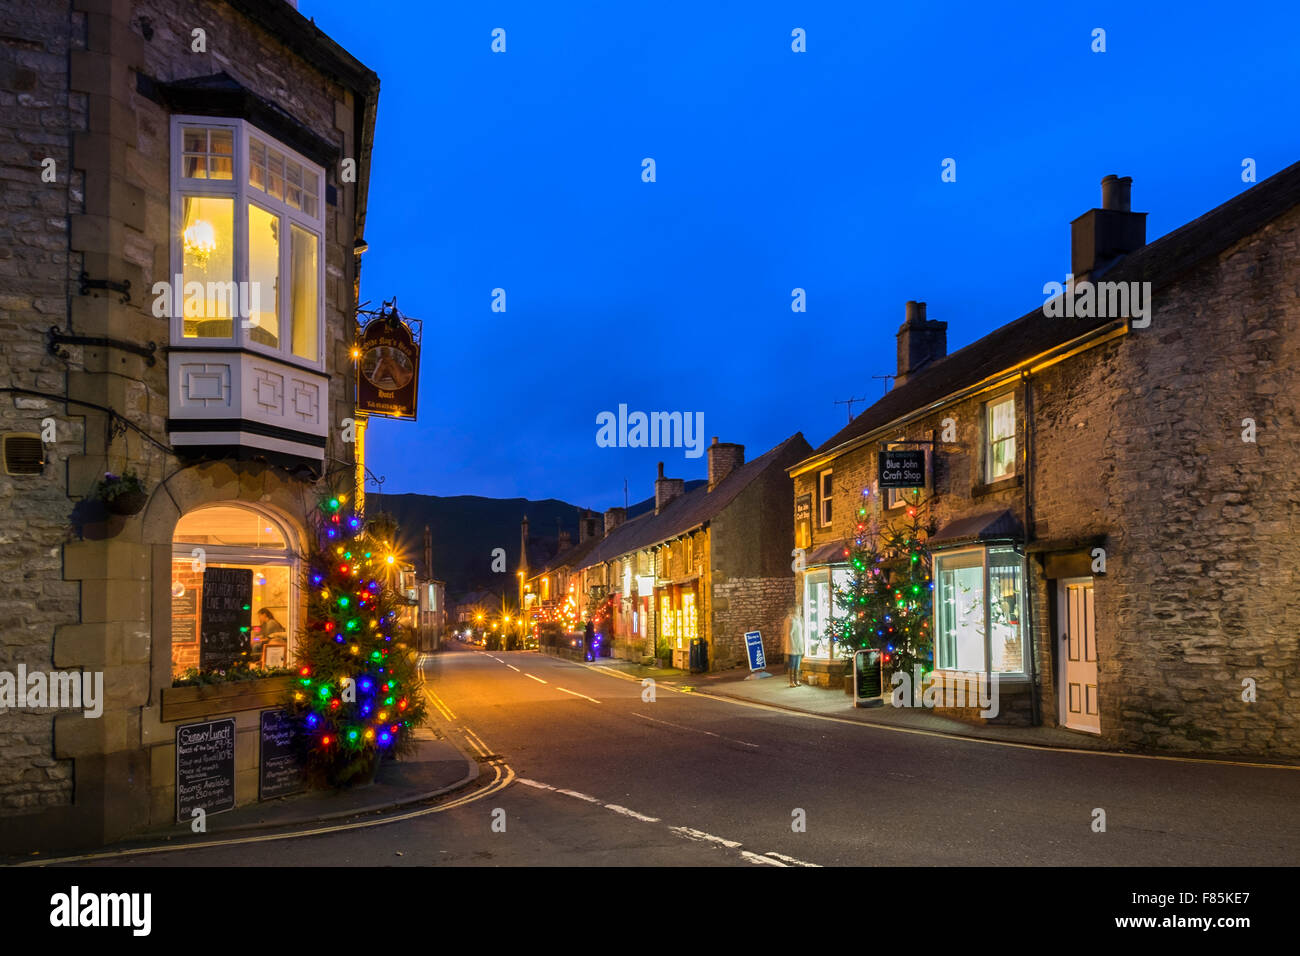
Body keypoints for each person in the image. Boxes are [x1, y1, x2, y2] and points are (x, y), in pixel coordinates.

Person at [786, 608, 804, 687]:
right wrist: (793, 645)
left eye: (800, 610)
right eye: (799, 610)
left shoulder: (799, 621)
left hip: (799, 645)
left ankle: (796, 680)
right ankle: (791, 681)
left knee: (797, 664)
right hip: (793, 647)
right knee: (792, 664)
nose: (800, 612)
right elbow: (790, 634)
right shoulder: (792, 621)